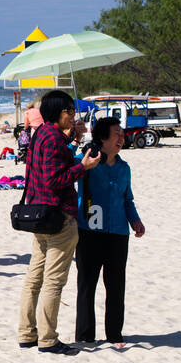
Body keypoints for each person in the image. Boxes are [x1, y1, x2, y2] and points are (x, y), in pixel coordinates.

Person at [17, 91, 100, 355]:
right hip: (58, 216)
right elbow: (56, 179)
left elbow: (45, 164)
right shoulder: (52, 137)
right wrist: (83, 167)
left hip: (38, 214)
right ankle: (48, 339)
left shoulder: (41, 133)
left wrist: (71, 138)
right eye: (70, 112)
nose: (73, 116)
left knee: (34, 279)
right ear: (58, 112)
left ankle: (27, 332)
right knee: (53, 281)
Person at [75, 117, 146, 350]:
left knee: (115, 285)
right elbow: (70, 167)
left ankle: (114, 333)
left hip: (118, 233)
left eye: (122, 134)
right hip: (89, 232)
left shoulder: (125, 168)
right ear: (102, 138)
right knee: (87, 284)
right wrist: (84, 155)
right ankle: (85, 336)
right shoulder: (87, 162)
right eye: (116, 134)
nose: (121, 138)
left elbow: (128, 199)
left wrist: (135, 220)